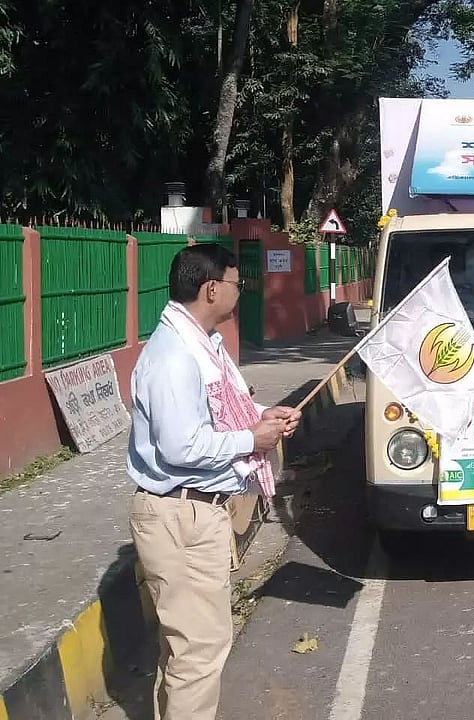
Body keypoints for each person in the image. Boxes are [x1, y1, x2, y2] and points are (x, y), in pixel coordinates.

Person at [128, 244, 299, 720]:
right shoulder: (175, 357)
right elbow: (180, 448)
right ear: (211, 289)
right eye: (235, 283)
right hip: (179, 512)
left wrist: (262, 420)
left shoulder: (204, 347)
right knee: (199, 651)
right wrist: (251, 438)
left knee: (188, 649)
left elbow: (215, 418)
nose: (239, 291)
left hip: (198, 510)